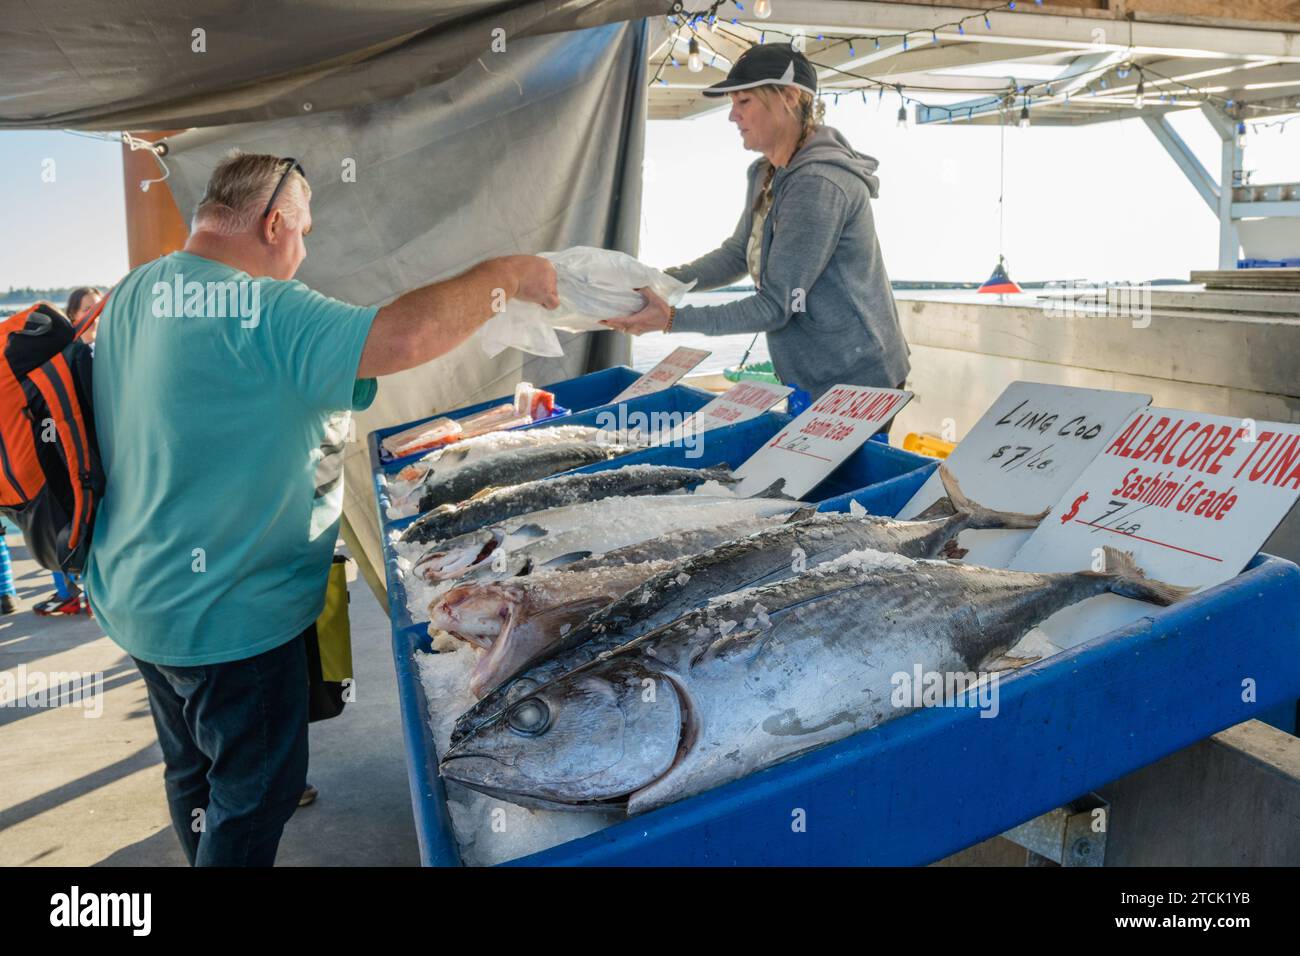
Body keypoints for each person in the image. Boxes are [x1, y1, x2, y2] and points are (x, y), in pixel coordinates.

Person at [84, 152, 560, 866]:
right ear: (275, 223)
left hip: (135, 596)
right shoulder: (263, 306)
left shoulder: (138, 289)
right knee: (254, 798)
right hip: (230, 620)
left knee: (194, 773)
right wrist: (511, 275)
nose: (303, 252)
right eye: (303, 233)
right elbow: (403, 336)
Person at [605, 43, 911, 420]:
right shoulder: (765, 172)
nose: (732, 115)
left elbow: (775, 305)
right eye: (732, 102)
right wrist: (660, 281)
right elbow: (737, 254)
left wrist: (670, 320)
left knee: (835, 480)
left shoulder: (819, 183)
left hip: (855, 378)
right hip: (806, 370)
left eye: (744, 101)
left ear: (790, 97)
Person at [31, 287, 103, 617]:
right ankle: (77, 590)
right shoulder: (71, 355)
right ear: (72, 314)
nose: (94, 314)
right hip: (78, 456)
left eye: (97, 306)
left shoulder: (101, 349)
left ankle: (79, 591)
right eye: (87, 308)